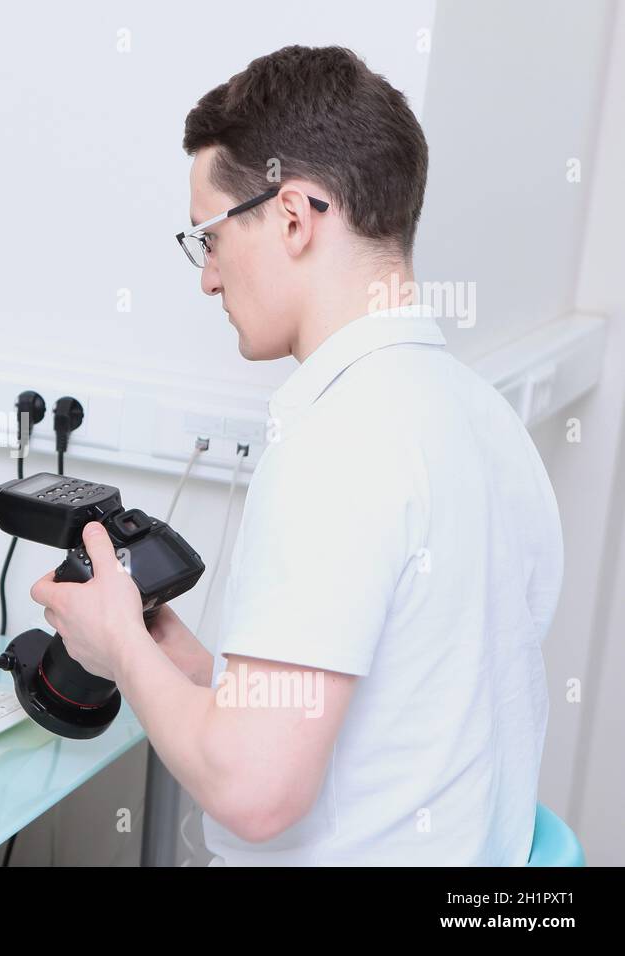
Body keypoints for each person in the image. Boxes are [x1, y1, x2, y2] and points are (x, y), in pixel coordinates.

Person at [30, 45, 563, 865]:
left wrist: (121, 651)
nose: (207, 279)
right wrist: (186, 666)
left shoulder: (339, 442)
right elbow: (403, 721)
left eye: (207, 238)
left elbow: (256, 793)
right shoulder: (480, 417)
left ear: (291, 217)